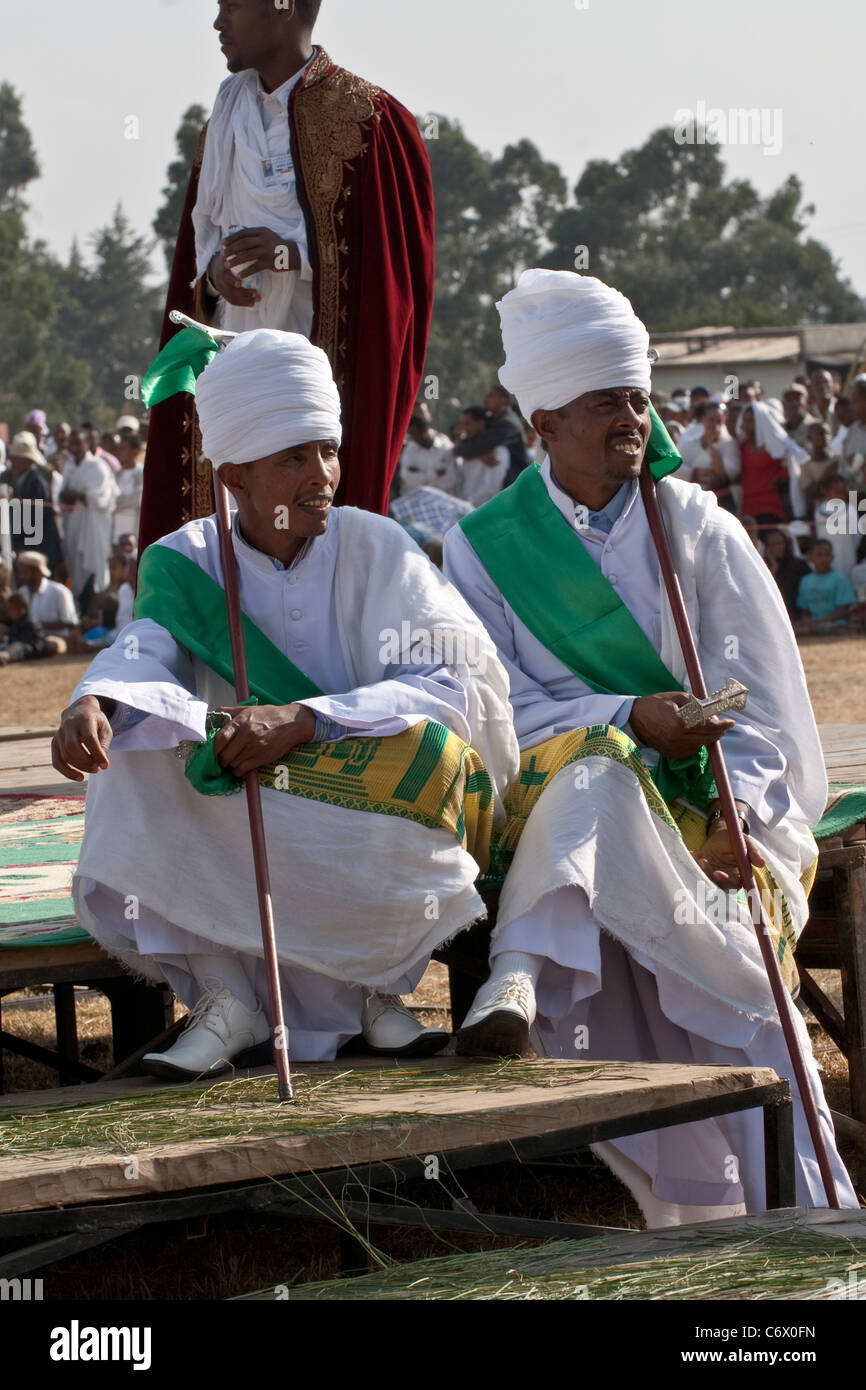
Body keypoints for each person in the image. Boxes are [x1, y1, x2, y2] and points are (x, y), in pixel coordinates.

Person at [443, 267, 856, 1222]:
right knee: (597, 778)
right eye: (603, 404)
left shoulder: (698, 529)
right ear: (543, 423)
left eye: (638, 397)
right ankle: (703, 1233)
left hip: (710, 822)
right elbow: (491, 712)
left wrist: (738, 819)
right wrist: (630, 717)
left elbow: (762, 703)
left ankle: (821, 1234)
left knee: (747, 1007)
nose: (630, 419)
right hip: (570, 821)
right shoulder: (482, 546)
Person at [51, 329, 518, 1077]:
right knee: (129, 759)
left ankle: (374, 990)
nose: (323, 475)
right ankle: (228, 998)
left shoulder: (377, 545)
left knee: (433, 754)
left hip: (353, 765)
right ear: (234, 477)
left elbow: (451, 675)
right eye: (294, 458)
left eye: (327, 452)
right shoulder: (185, 558)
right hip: (241, 777)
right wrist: (94, 698)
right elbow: (147, 645)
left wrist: (306, 720)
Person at [141, 0, 435, 548]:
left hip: (317, 388)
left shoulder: (371, 120)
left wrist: (291, 256)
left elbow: (394, 281)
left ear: (282, 9)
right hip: (234, 383)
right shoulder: (224, 122)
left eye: (231, 7)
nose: (218, 23)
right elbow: (196, 258)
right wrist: (213, 280)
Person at [59, 428, 119, 600]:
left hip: (93, 529)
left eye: (78, 443)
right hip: (74, 527)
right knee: (75, 568)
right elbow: (62, 496)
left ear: (87, 444)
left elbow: (101, 498)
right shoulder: (69, 467)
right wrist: (74, 496)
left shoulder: (98, 467)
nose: (74, 447)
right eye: (71, 443)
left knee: (93, 573)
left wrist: (78, 495)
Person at [737, 401, 808, 530]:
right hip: (747, 507)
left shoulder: (774, 446)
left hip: (770, 506)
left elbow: (793, 464)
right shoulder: (741, 447)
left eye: (751, 421)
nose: (746, 425)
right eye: (745, 421)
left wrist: (781, 476)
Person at [0, 432, 64, 572]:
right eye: (14, 458)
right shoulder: (16, 479)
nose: (14, 462)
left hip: (38, 551)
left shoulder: (36, 482)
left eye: (19, 458)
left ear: (28, 460)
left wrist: (8, 508)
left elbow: (31, 526)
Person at [454, 384, 529, 489]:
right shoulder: (493, 421)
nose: (486, 399)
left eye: (490, 396)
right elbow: (471, 443)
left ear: (503, 400)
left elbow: (477, 446)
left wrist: (475, 452)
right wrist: (479, 456)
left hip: (514, 484)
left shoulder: (508, 424)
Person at [677, 400, 740, 511]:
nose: (714, 424)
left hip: (721, 502)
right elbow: (676, 469)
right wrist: (698, 472)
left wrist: (711, 446)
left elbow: (724, 473)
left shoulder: (729, 444)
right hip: (692, 500)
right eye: (711, 420)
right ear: (703, 420)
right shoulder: (690, 444)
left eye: (719, 421)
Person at [16, 550, 79, 655]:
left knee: (51, 646)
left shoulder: (59, 591)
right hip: (28, 639)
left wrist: (38, 625)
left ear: (37, 571)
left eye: (25, 572)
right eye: (20, 572)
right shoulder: (21, 593)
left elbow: (71, 624)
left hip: (54, 638)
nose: (21, 576)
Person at [795, 539, 856, 634]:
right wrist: (806, 621)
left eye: (827, 555)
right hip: (812, 625)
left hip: (834, 624)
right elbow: (804, 610)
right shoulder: (805, 581)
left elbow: (843, 611)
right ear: (810, 557)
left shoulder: (840, 579)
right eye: (819, 555)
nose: (823, 559)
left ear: (832, 557)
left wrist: (819, 622)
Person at [456, 406, 511, 507]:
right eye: (463, 424)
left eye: (468, 423)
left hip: (482, 510)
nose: (464, 428)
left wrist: (469, 504)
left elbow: (492, 487)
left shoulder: (499, 452)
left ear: (481, 423)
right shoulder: (467, 450)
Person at [397, 415, 459, 496]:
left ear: (424, 430)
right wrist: (435, 475)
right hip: (417, 499)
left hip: (443, 499)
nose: (413, 438)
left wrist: (421, 477)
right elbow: (406, 476)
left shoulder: (446, 447)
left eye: (414, 434)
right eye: (410, 435)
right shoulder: (410, 450)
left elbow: (451, 479)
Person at [762, 528, 811, 620]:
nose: (777, 547)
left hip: (798, 612)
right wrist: (774, 568)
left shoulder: (799, 565)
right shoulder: (762, 566)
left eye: (779, 543)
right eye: (772, 545)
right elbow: (764, 590)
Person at [112, 433, 146, 543]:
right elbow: (110, 497)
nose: (119, 452)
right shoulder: (116, 474)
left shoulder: (142, 473)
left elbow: (136, 499)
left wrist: (117, 501)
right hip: (116, 524)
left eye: (123, 448)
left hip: (134, 525)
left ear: (134, 451)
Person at [0, 592, 46, 665]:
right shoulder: (16, 622)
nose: (8, 612)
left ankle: (5, 656)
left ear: (22, 609)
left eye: (10, 609)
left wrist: (6, 639)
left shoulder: (29, 622)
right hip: (18, 648)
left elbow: (23, 642)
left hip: (30, 649)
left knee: (17, 646)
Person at [840, 377, 866, 485]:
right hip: (853, 496)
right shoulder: (853, 430)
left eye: (854, 401)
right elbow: (845, 470)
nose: (850, 407)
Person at [781, 384, 817, 450]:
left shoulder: (816, 426)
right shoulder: (780, 429)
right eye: (789, 399)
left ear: (807, 401)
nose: (793, 403)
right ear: (783, 404)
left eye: (797, 398)